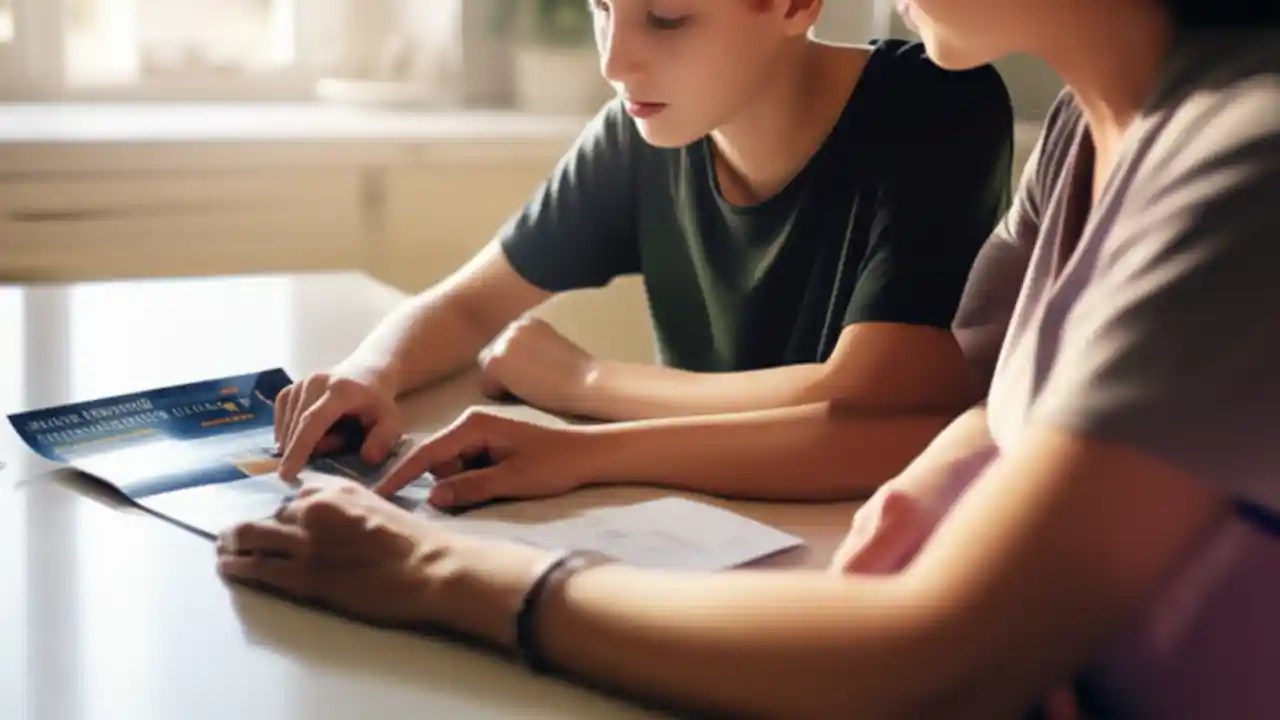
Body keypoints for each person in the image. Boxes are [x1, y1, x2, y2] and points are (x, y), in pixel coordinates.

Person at [220, 0, 1280, 716]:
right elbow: (973, 403)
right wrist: (916, 500)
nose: (616, 54)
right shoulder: (1079, 134)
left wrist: (440, 570)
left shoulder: (1246, 160)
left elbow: (944, 650)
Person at [271, 0, 1013, 502]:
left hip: (873, 539)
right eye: (601, 7)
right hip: (703, 516)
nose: (616, 63)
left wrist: (588, 380)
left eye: (665, 17)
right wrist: (372, 371)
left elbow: (868, 390)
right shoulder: (637, 136)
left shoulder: (937, 105)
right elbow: (471, 304)